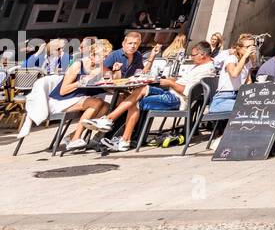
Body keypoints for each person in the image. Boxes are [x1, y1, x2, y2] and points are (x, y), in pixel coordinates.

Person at [88, 42, 217, 152]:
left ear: (203, 55)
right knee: (141, 89)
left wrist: (171, 83)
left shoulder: (206, 70)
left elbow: (189, 91)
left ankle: (124, 139)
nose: (191, 57)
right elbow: (186, 83)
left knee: (136, 101)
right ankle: (110, 122)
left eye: (193, 55)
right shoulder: (200, 66)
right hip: (172, 93)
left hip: (177, 100)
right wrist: (172, 80)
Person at [56, 40, 115, 152]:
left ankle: (73, 136)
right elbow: (63, 91)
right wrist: (83, 81)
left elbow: (110, 78)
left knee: (106, 106)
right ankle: (75, 139)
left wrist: (115, 71)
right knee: (96, 102)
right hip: (63, 99)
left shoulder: (99, 66)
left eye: (106, 57)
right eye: (101, 56)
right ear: (92, 54)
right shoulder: (78, 65)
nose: (104, 59)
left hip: (82, 98)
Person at [209, 35, 256, 114]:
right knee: (246, 106)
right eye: (248, 47)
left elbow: (248, 82)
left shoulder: (248, 61)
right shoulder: (231, 58)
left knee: (256, 105)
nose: (250, 49)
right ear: (239, 48)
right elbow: (234, 74)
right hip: (222, 99)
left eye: (253, 46)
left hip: (237, 96)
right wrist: (245, 57)